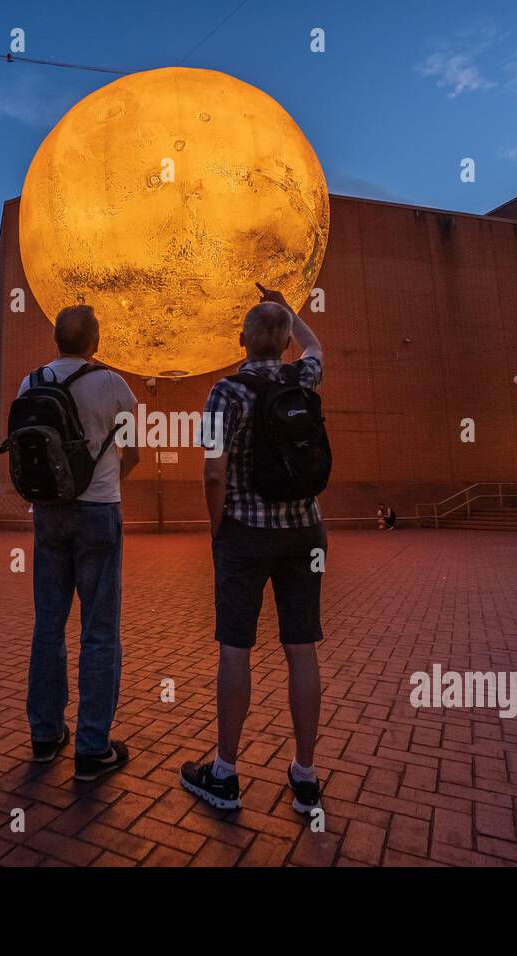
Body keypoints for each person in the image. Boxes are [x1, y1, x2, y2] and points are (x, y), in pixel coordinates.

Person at [180, 284, 327, 816]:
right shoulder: (304, 379)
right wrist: (290, 310)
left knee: (235, 647)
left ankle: (224, 773)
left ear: (242, 340)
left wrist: (217, 528)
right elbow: (317, 350)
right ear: (285, 341)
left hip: (244, 531)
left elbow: (213, 471)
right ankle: (305, 776)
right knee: (302, 647)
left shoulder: (226, 392)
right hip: (306, 531)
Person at [23, 304, 140, 781]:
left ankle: (46, 735)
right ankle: (93, 748)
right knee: (99, 629)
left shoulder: (30, 383)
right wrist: (107, 480)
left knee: (48, 625)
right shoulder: (114, 385)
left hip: (48, 514)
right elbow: (133, 453)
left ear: (56, 339)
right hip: (98, 513)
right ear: (96, 340)